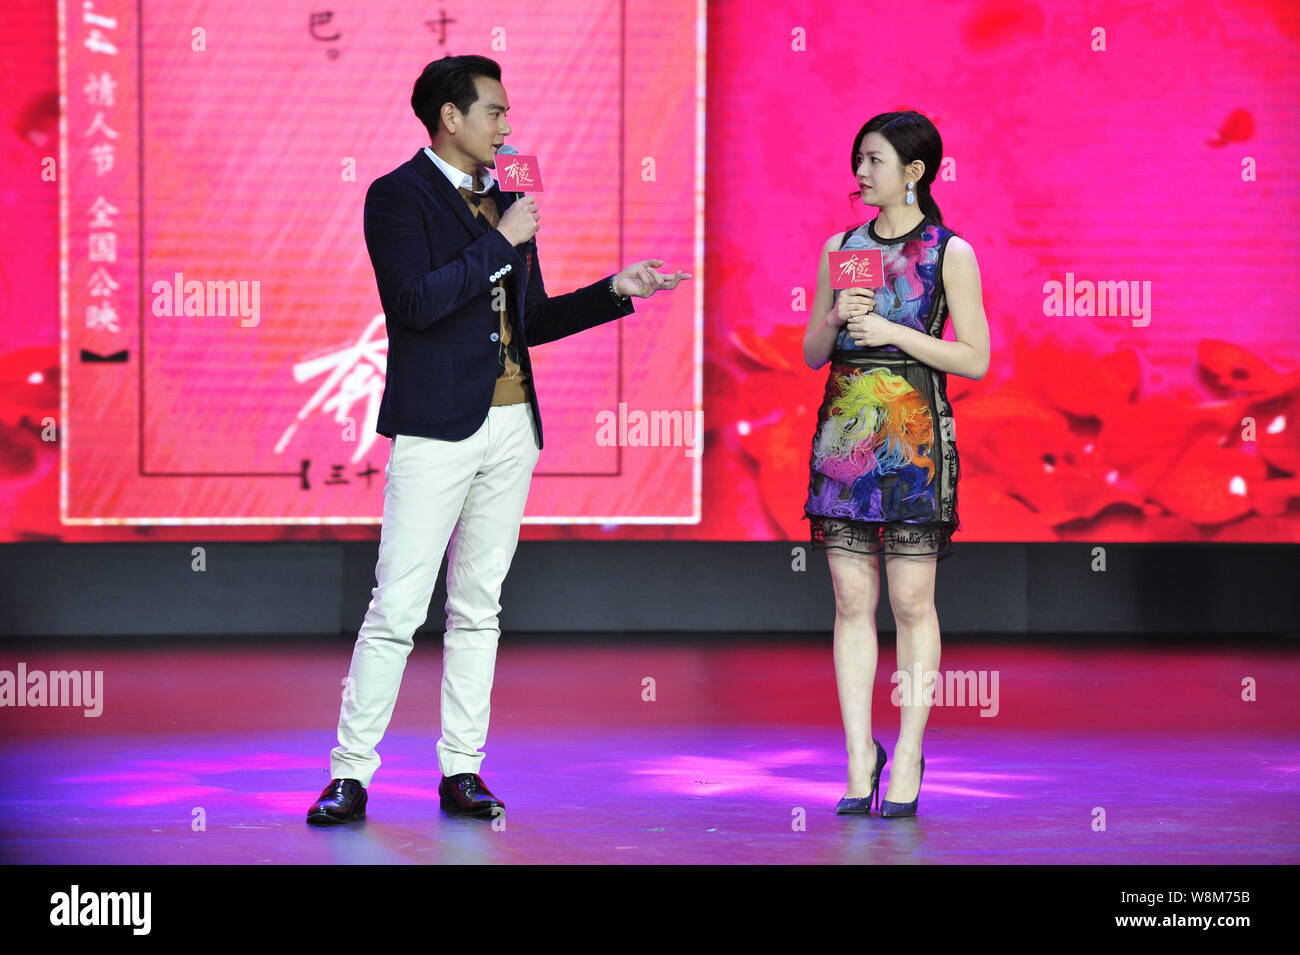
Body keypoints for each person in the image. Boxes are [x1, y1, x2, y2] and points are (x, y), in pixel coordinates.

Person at [308, 54, 690, 824]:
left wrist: (617, 289)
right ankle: (351, 773)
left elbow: (534, 318)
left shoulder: (510, 193)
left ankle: (463, 771)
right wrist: (498, 239)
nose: (507, 127)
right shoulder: (397, 195)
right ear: (451, 118)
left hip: (513, 425)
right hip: (436, 427)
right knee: (398, 605)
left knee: (478, 604)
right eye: (495, 112)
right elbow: (415, 303)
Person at [800, 111, 989, 818]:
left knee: (912, 603)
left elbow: (975, 357)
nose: (861, 172)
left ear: (913, 172)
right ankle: (858, 755)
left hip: (912, 442)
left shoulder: (950, 252)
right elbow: (815, 352)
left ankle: (908, 750)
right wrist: (835, 319)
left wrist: (892, 331)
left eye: (874, 160)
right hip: (845, 439)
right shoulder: (842, 247)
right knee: (851, 602)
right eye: (859, 159)